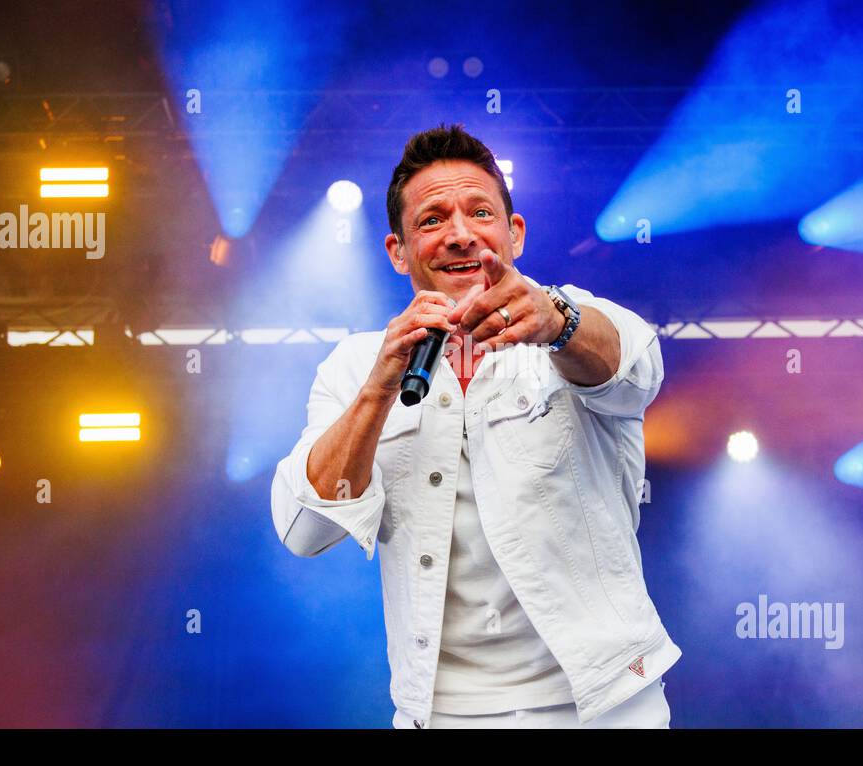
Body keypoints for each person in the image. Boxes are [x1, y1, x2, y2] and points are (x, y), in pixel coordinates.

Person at [271, 123, 680, 728]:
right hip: (441, 714)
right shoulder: (358, 364)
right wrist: (381, 386)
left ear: (513, 232)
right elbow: (305, 530)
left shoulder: (572, 317)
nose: (460, 235)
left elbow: (638, 371)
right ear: (399, 251)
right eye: (432, 220)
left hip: (603, 703)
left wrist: (556, 322)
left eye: (480, 212)